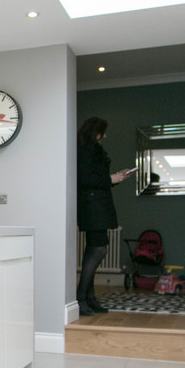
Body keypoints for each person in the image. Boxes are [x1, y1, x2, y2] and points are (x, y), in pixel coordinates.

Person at [76, 117, 134, 316]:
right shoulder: (86, 149)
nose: (106, 136)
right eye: (103, 132)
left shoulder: (89, 148)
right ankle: (81, 297)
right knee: (99, 249)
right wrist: (111, 178)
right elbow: (84, 179)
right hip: (92, 206)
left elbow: (96, 179)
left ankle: (89, 298)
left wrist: (116, 178)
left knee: (94, 250)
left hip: (96, 204)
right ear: (95, 132)